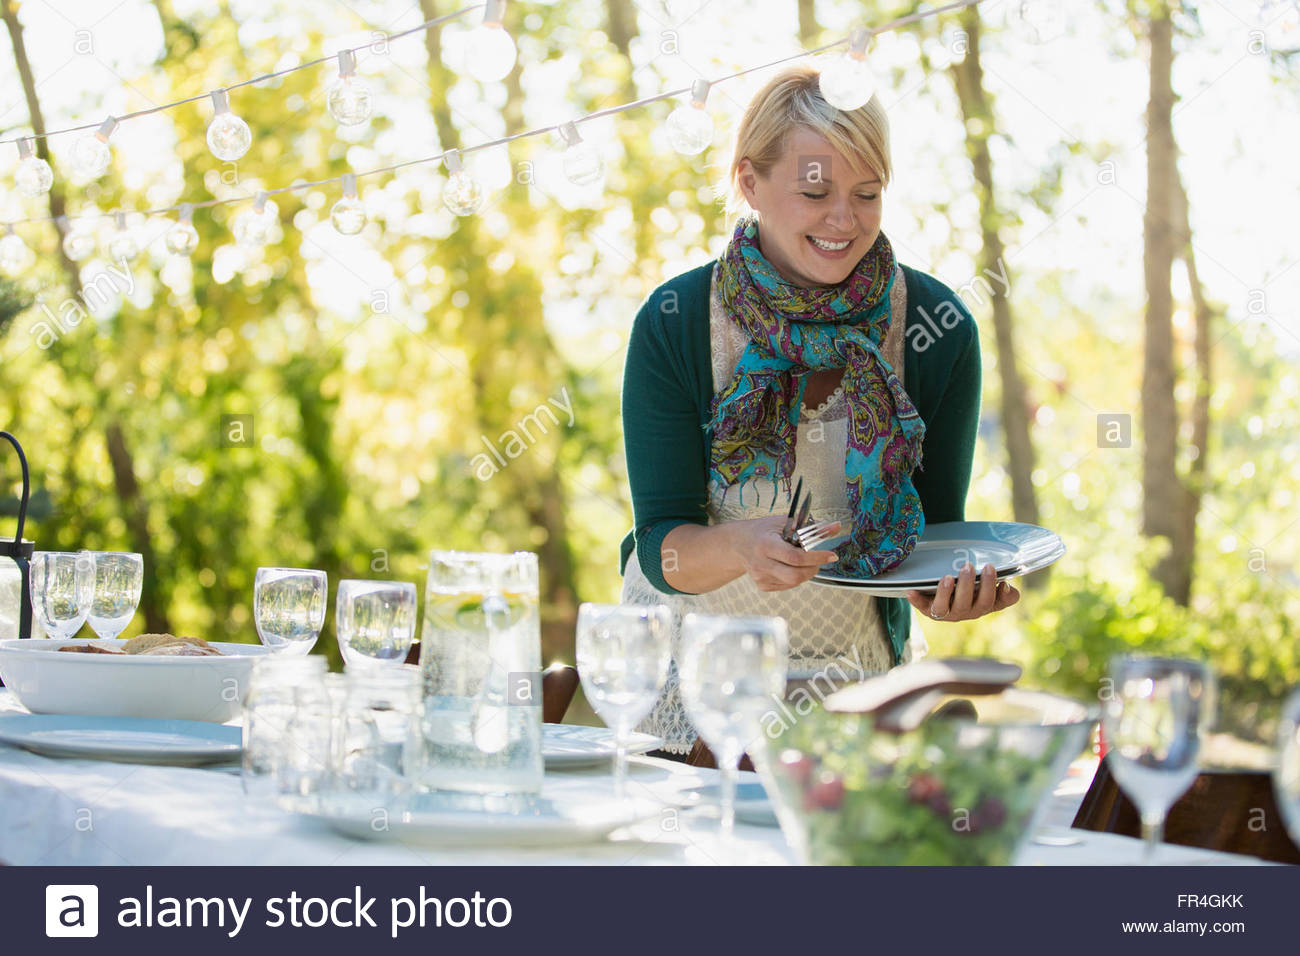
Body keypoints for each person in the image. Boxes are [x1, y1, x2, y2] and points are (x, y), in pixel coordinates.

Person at [619, 66, 1019, 756]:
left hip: (854, 693)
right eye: (815, 191)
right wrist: (742, 546)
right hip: (691, 694)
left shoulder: (936, 327)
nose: (845, 218)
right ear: (750, 182)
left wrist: (942, 591)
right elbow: (662, 547)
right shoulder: (677, 321)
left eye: (867, 193)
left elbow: (927, 545)